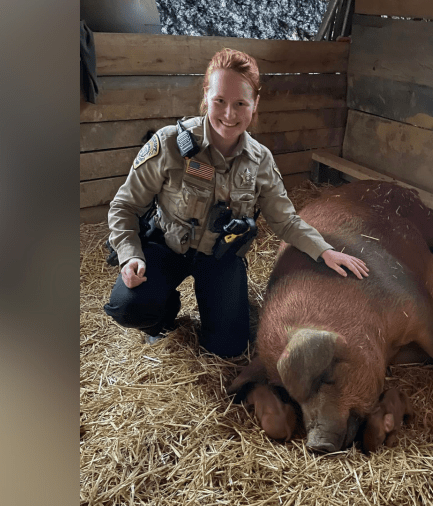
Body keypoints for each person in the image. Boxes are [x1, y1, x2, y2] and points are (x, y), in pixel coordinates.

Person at [103, 48, 369, 357]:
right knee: (129, 306)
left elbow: (285, 220)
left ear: (255, 105)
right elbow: (125, 206)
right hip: (165, 246)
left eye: (240, 103)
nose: (229, 115)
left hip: (220, 255)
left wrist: (324, 250)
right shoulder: (169, 143)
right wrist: (129, 255)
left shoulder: (260, 161)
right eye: (220, 101)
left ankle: (221, 315)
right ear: (206, 96)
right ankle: (162, 314)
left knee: (229, 349)